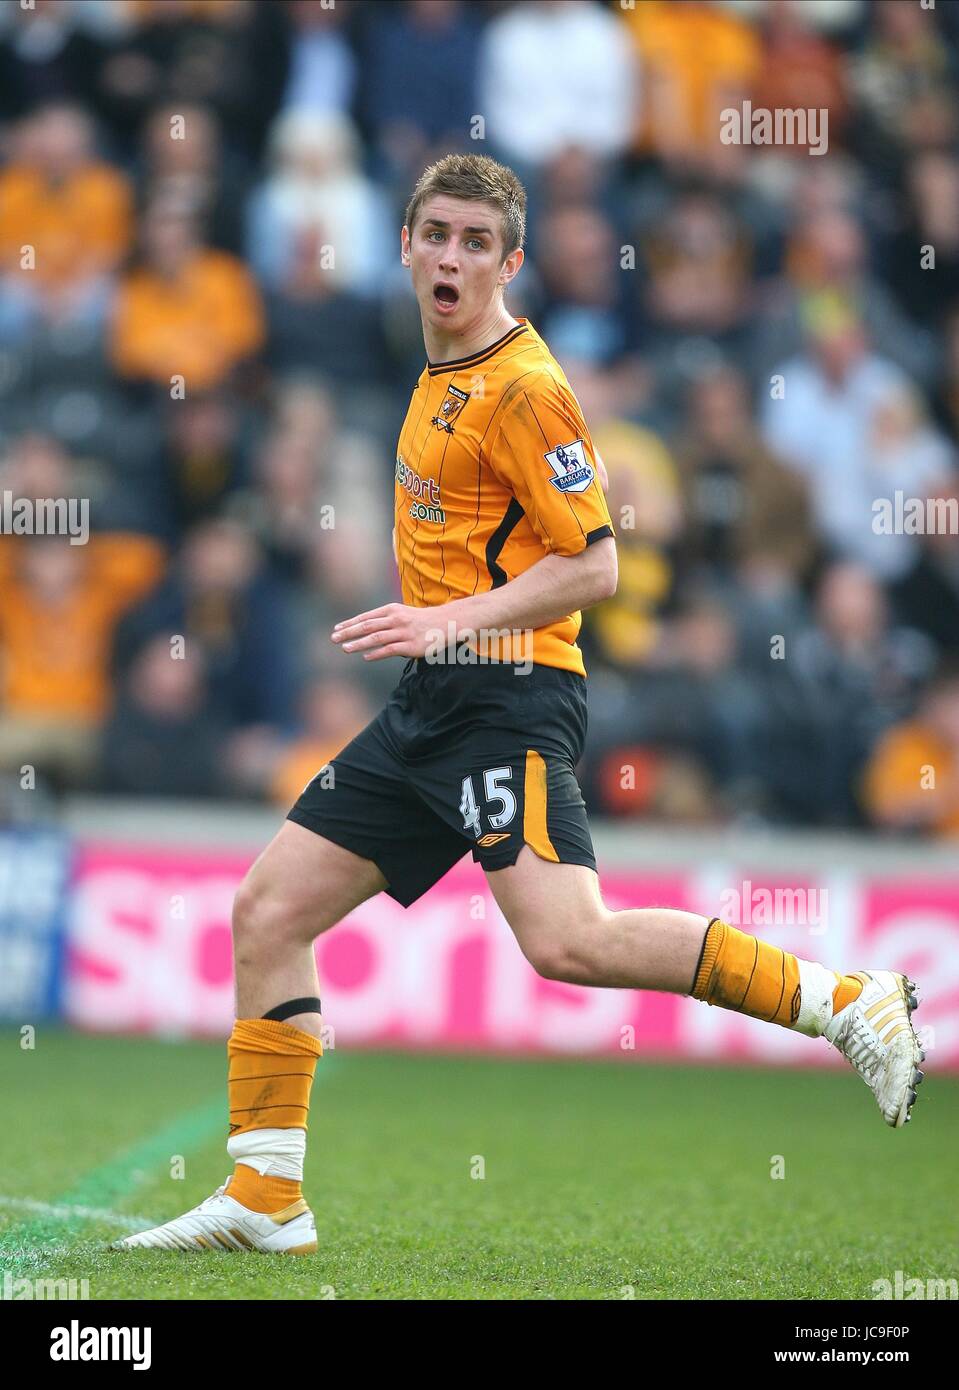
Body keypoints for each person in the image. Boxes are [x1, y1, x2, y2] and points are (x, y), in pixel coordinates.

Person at [116, 154, 924, 1257]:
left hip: (509, 697)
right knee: (266, 911)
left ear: (510, 260)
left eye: (475, 242)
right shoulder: (436, 363)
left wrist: (449, 620)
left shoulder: (525, 386)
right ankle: (266, 1197)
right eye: (435, 235)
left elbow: (595, 564)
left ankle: (845, 1001)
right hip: (430, 701)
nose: (450, 257)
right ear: (403, 243)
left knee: (569, 942)